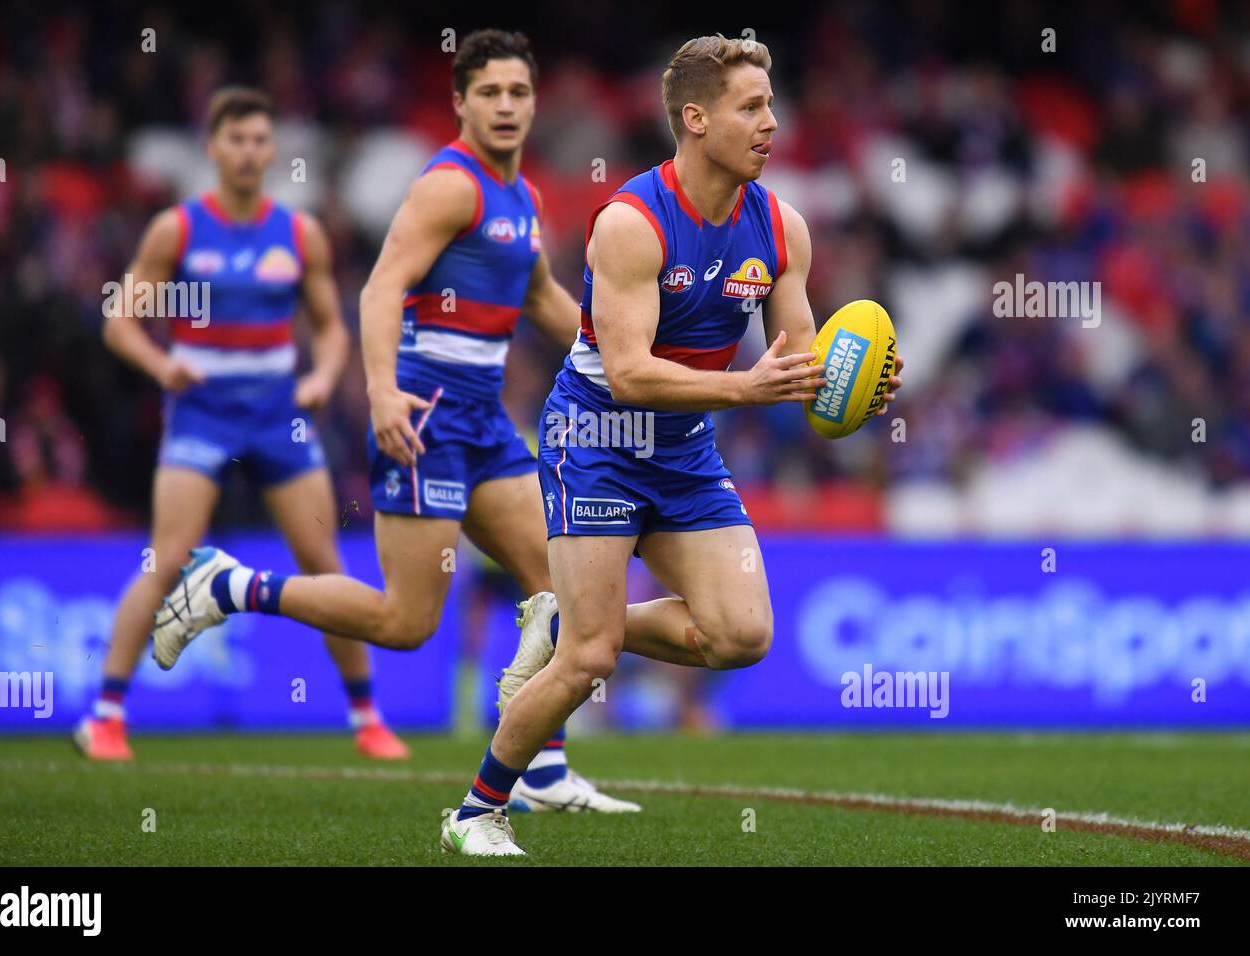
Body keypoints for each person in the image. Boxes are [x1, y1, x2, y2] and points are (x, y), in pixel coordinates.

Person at [438, 34, 905, 855]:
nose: (771, 123)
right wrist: (745, 387)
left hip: (685, 446)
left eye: (770, 104)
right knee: (591, 660)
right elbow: (626, 374)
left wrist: (851, 390)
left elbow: (797, 369)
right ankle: (477, 811)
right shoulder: (631, 222)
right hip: (598, 437)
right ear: (696, 119)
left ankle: (562, 628)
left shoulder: (784, 227)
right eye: (751, 107)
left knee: (742, 636)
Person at [151, 30, 638, 813]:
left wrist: (619, 352)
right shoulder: (449, 185)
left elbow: (542, 295)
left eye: (518, 92)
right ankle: (229, 584)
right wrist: (380, 393)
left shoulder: (524, 195)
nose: (506, 106)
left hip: (483, 421)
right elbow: (380, 290)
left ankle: (542, 770)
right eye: (489, 93)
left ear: (534, 101)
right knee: (405, 621)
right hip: (426, 417)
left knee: (560, 589)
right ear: (459, 103)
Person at [76, 87, 407, 761]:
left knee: (320, 560)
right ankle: (105, 715)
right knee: (166, 560)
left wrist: (320, 377)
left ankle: (366, 719)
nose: (251, 151)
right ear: (212, 148)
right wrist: (160, 365)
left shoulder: (299, 232)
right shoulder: (178, 229)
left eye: (261, 140)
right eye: (237, 139)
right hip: (200, 411)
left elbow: (330, 327)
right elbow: (120, 321)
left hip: (278, 415)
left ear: (272, 150)